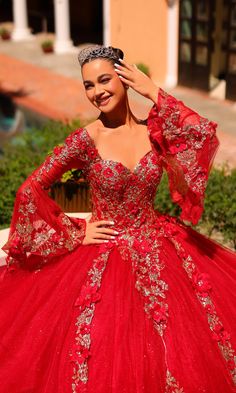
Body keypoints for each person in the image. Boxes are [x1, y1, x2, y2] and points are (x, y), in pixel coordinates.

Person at [0, 45, 235, 393]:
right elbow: (30, 190)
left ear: (125, 79)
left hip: (161, 247)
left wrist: (153, 91)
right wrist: (75, 233)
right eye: (89, 85)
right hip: (104, 255)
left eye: (105, 80)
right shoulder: (86, 140)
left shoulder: (154, 132)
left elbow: (201, 134)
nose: (97, 92)